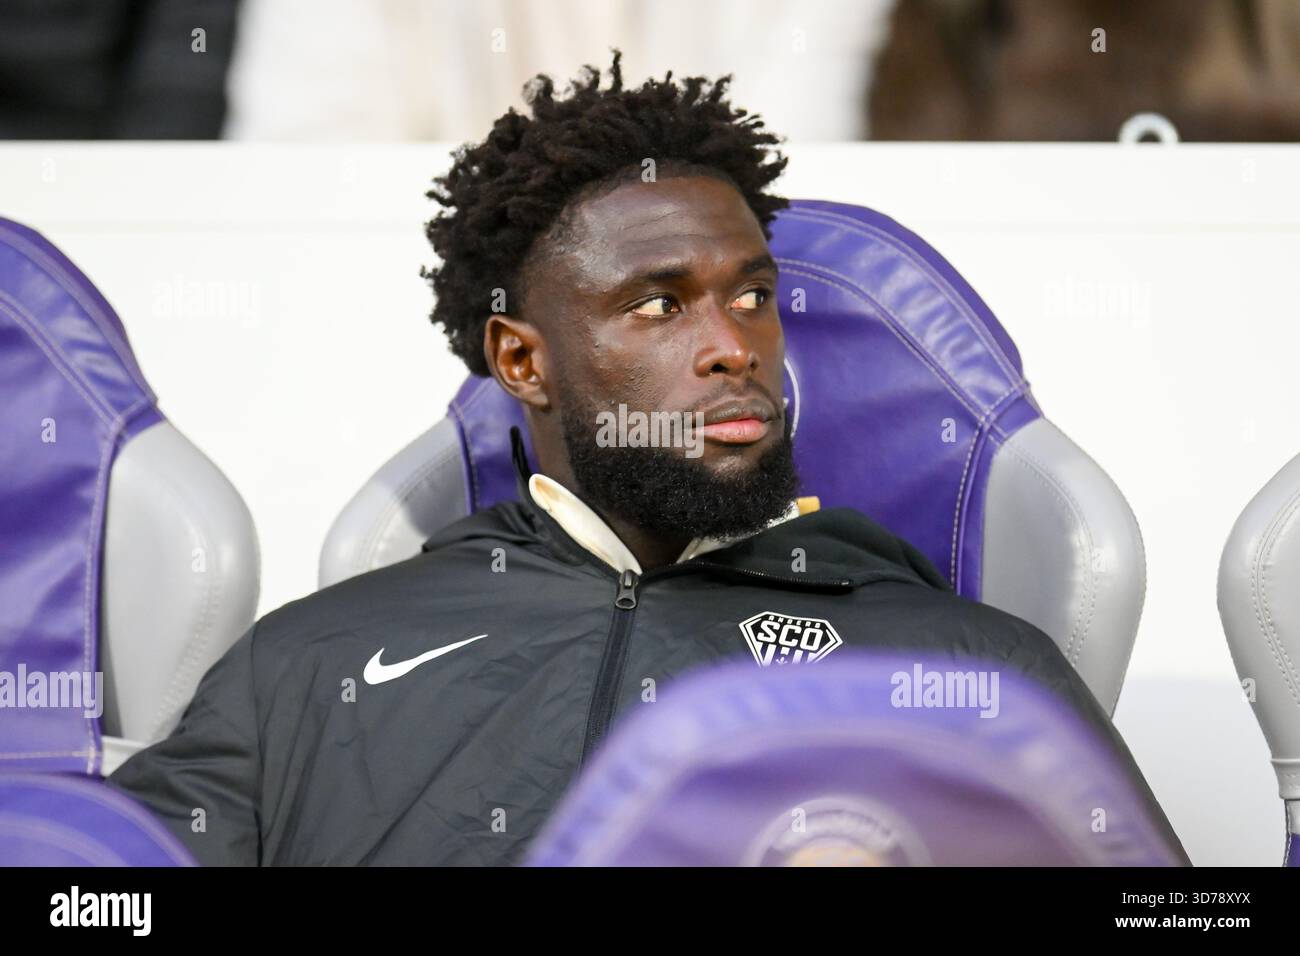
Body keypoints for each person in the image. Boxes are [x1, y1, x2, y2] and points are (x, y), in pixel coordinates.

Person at [107, 49, 1187, 865]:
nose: (732, 347)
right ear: (521, 359)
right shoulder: (311, 663)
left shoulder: (965, 666)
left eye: (753, 295)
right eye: (658, 304)